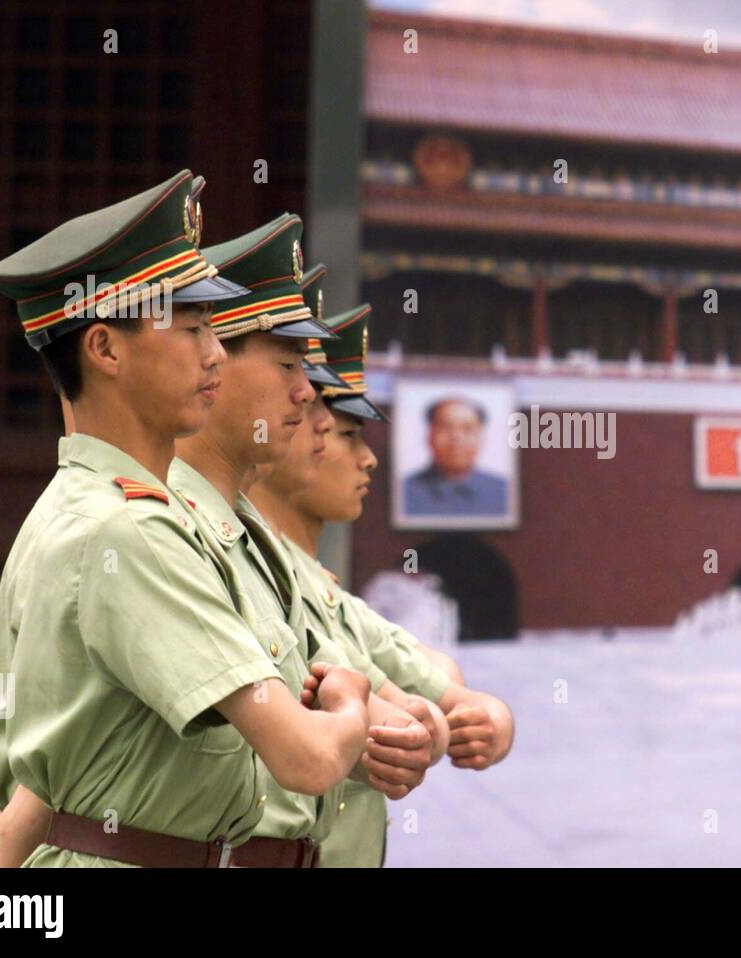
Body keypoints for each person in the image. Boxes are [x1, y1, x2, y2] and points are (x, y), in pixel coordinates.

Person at [0, 172, 373, 867]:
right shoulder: (124, 531)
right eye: (190, 329)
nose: (215, 352)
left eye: (214, 329)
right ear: (105, 349)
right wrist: (351, 703)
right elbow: (305, 760)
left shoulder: (100, 511)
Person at [170, 221, 437, 867]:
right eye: (290, 368)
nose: (307, 406)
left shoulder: (258, 548)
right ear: (212, 366)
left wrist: (409, 722)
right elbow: (42, 784)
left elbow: (398, 690)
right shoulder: (154, 528)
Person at [249, 291, 516, 866]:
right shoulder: (227, 563)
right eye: (346, 433)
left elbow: (429, 681)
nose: (366, 458)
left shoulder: (317, 586)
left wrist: (463, 716)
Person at [402, 396, 508, 517]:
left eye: (467, 429)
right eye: (445, 428)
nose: (456, 439)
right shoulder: (403, 492)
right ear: (429, 435)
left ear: (481, 437)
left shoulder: (503, 491)